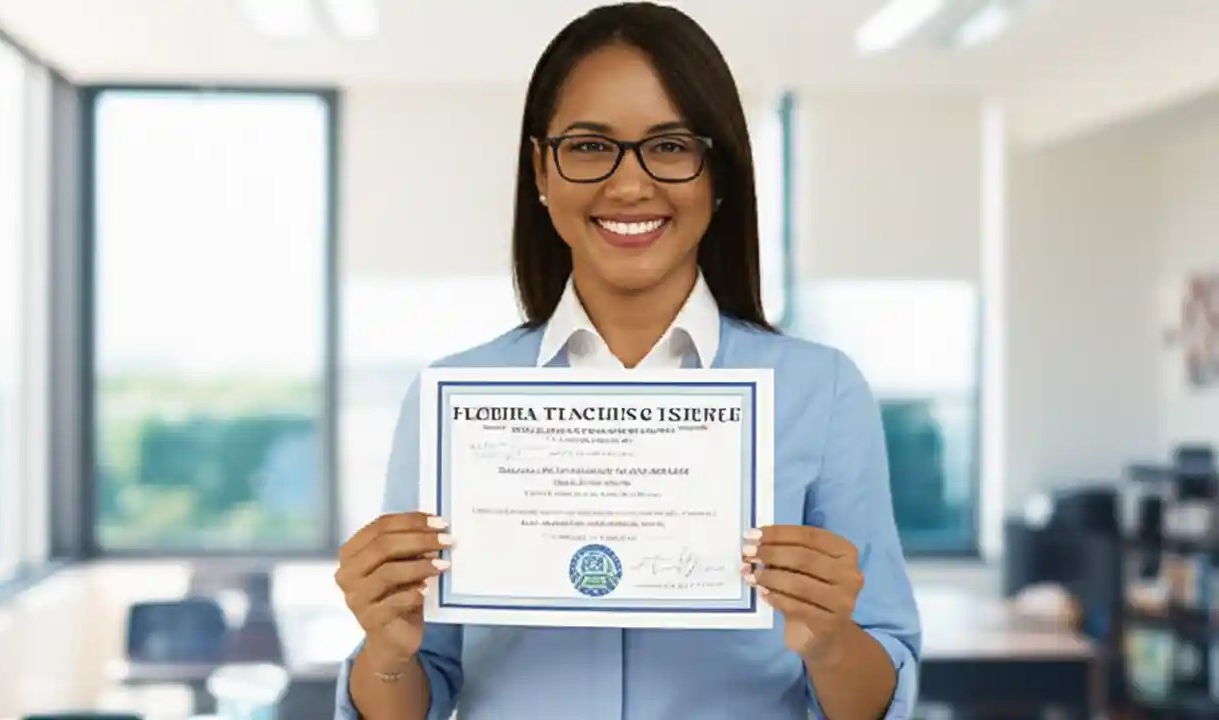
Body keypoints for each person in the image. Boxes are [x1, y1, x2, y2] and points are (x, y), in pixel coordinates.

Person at [332, 3, 921, 718]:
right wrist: (388, 653)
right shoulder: (450, 399)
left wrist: (830, 642)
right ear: (541, 171)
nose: (630, 185)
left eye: (670, 146)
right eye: (588, 146)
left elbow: (879, 692)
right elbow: (419, 684)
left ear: (719, 171)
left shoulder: (819, 391)